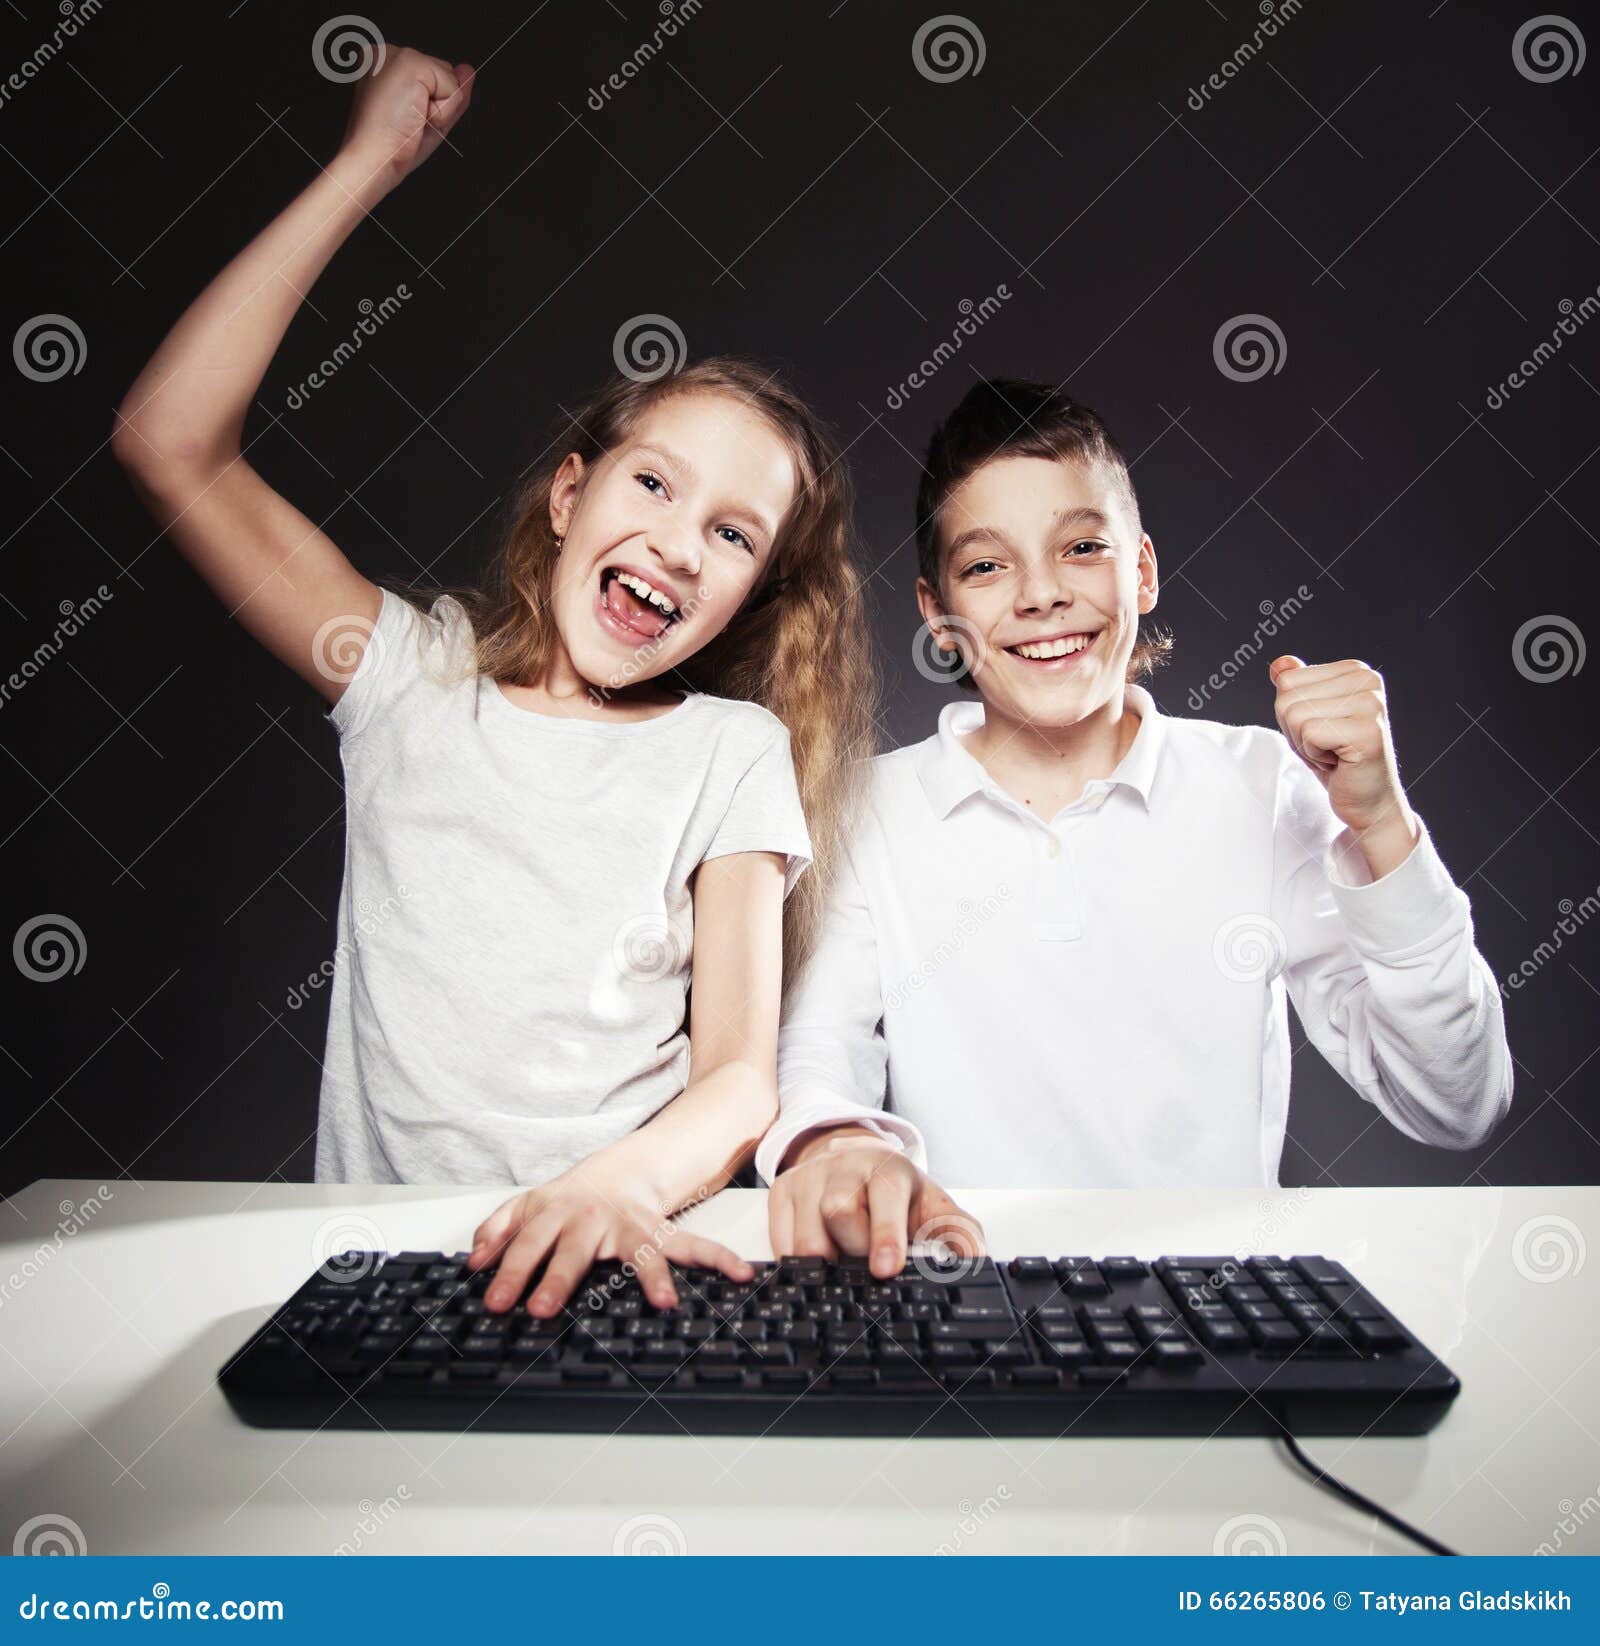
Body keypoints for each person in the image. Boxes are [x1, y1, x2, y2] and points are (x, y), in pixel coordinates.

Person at [112, 46, 877, 1318]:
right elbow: (168, 443)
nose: (682, 544)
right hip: (389, 1275)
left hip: (634, 1264)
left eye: (735, 536)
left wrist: (609, 1191)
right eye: (652, 484)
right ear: (571, 495)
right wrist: (367, 167)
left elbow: (740, 1077)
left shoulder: (729, 751)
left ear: (754, 594)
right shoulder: (406, 677)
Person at [760, 377, 1513, 1276]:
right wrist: (838, 1146)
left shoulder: (1260, 786)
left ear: (1143, 570)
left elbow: (1457, 1104)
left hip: (1216, 1317)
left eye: (1081, 547)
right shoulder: (868, 809)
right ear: (939, 615)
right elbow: (818, 1053)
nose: (1041, 596)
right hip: (964, 1306)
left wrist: (1382, 822)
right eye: (988, 565)